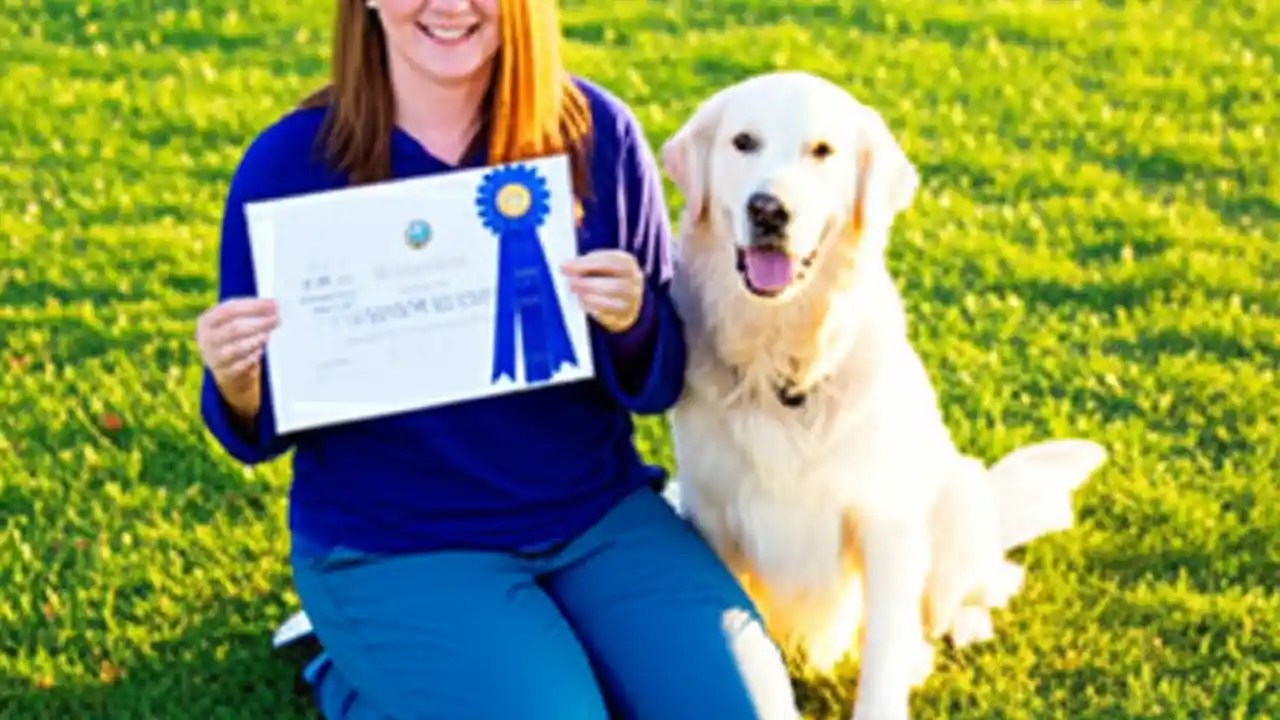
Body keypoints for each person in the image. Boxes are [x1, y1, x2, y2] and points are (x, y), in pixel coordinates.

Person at [194, 1, 801, 718]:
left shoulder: (596, 134)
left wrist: (634, 321)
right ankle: (353, 669)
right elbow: (256, 432)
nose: (450, 6)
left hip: (595, 517)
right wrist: (236, 382)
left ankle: (498, 659)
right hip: (398, 545)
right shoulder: (288, 165)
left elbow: (658, 381)